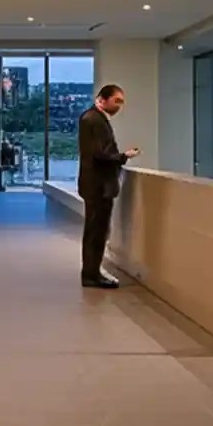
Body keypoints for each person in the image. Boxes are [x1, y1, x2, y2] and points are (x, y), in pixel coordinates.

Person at [77, 84, 140, 289]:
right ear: (103, 99)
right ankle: (91, 273)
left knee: (96, 230)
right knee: (97, 231)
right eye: (117, 101)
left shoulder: (93, 118)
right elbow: (100, 154)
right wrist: (123, 157)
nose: (120, 106)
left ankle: (92, 271)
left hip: (96, 185)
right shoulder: (94, 120)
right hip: (98, 185)